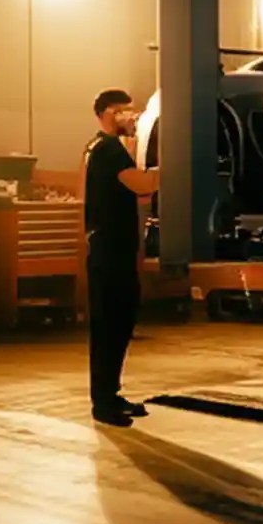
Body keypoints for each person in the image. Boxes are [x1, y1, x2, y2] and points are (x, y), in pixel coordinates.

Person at [83, 88, 159, 426]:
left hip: (113, 249)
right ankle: (103, 403)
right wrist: (177, 167)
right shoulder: (109, 150)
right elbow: (141, 185)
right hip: (109, 253)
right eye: (129, 111)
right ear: (111, 113)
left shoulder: (100, 148)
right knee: (109, 327)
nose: (135, 118)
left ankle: (110, 394)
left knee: (119, 323)